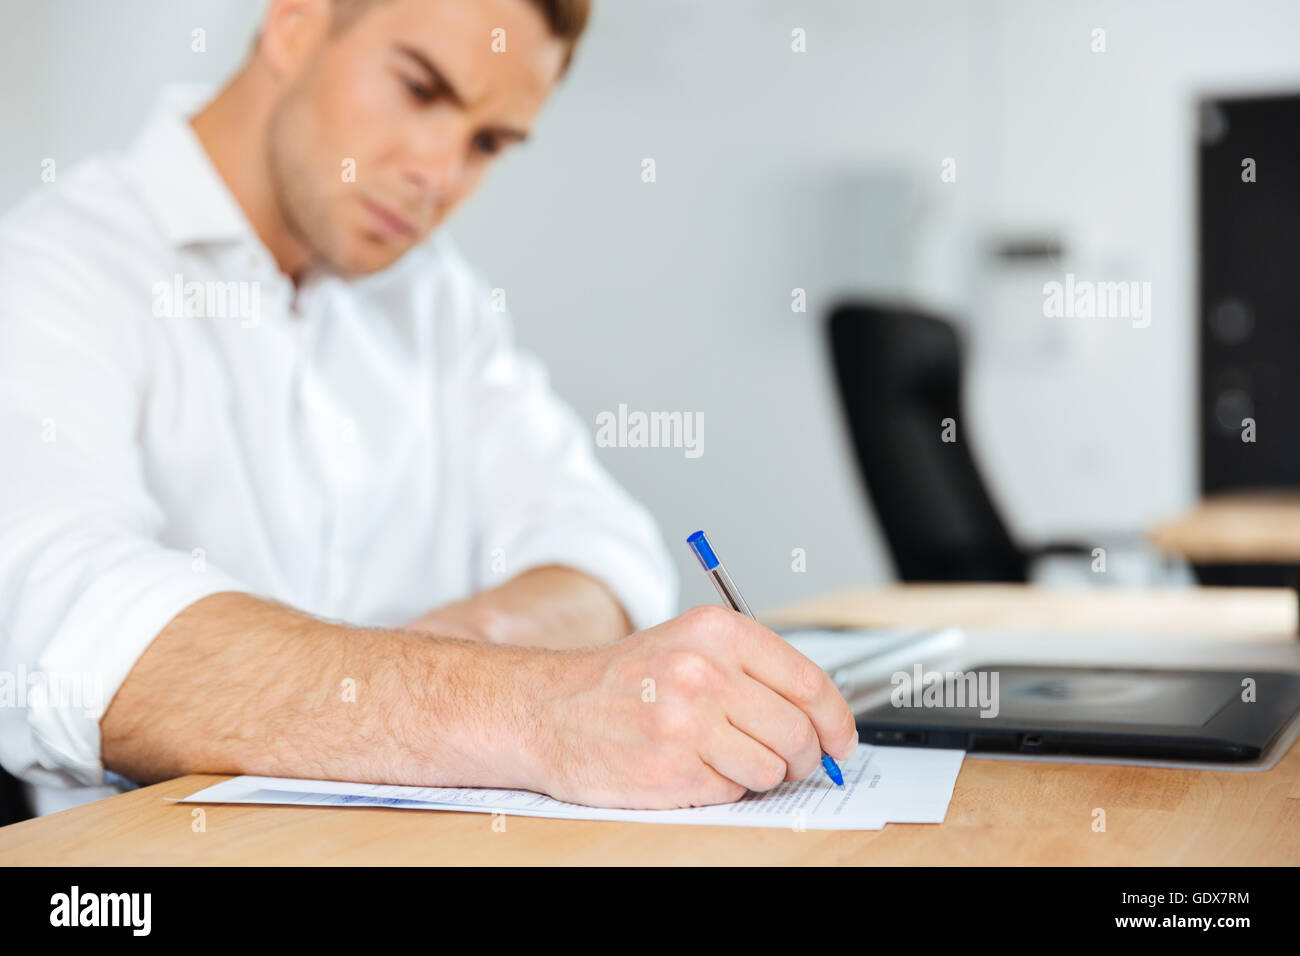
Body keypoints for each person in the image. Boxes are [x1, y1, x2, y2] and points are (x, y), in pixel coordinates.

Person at [0, 0, 857, 817]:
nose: (439, 177)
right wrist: (528, 708)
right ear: (296, 23)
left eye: (487, 142)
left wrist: (455, 646)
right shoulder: (56, 268)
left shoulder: (430, 296)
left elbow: (604, 546)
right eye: (419, 88)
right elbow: (60, 631)